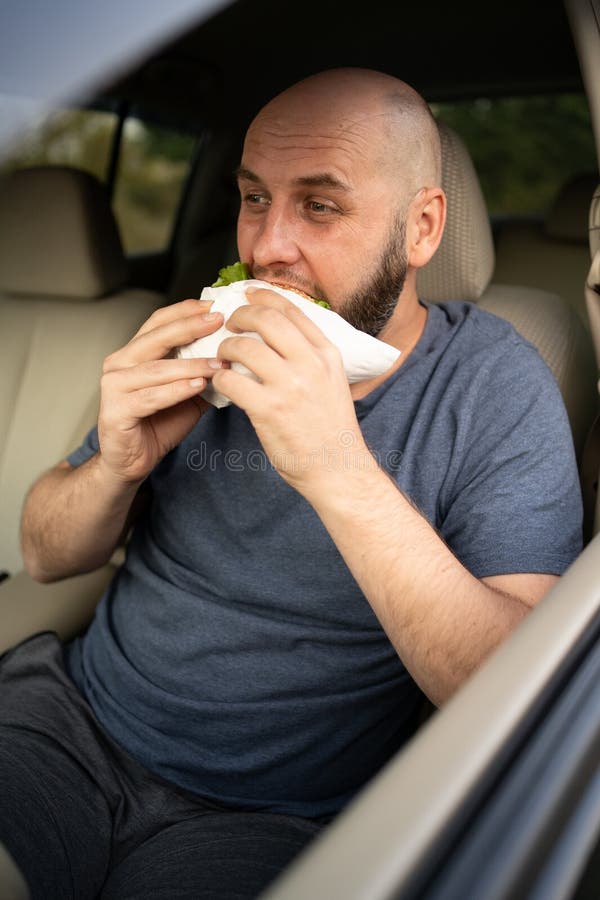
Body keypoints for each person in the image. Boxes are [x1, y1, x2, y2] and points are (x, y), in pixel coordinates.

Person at [1, 67, 582, 898]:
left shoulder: (496, 385)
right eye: (252, 198)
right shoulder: (195, 338)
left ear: (420, 229)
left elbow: (516, 696)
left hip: (275, 819)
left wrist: (336, 467)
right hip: (62, 728)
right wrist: (117, 468)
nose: (267, 248)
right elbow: (43, 552)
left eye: (320, 205)